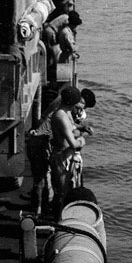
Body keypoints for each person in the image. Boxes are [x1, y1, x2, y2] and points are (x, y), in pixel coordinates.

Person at [49, 84, 87, 217]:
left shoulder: (65, 113)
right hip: (62, 158)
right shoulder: (61, 116)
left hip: (66, 157)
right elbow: (73, 143)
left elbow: (72, 128)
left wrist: (82, 129)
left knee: (67, 190)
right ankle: (59, 220)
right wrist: (82, 140)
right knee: (62, 193)